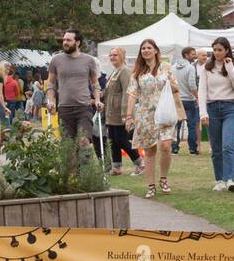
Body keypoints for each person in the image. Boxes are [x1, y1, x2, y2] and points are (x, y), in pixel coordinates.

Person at [124, 38, 181, 199]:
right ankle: (151, 185)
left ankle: (163, 178)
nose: (146, 51)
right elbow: (132, 95)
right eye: (143, 49)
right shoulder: (137, 73)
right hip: (145, 114)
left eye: (149, 48)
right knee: (149, 150)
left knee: (165, 146)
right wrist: (129, 116)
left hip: (165, 113)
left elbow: (176, 89)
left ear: (156, 50)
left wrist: (170, 83)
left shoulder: (166, 67)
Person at [198, 36, 234, 192]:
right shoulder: (207, 67)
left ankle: (230, 179)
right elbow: (202, 91)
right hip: (212, 109)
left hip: (231, 107)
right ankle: (219, 180)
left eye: (220, 50)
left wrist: (230, 68)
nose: (217, 53)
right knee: (216, 148)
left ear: (227, 50)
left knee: (228, 145)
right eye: (215, 50)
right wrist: (203, 113)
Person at [48, 28, 102, 153]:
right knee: (68, 147)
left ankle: (85, 171)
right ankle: (73, 172)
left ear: (77, 42)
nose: (65, 42)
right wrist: (51, 100)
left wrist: (98, 100)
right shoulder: (56, 60)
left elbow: (95, 84)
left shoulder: (89, 60)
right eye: (64, 40)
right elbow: (51, 83)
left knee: (83, 141)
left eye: (68, 40)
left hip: (84, 108)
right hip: (64, 108)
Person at [103, 47, 145, 176]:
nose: (112, 57)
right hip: (111, 113)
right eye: (111, 55)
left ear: (122, 56)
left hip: (120, 113)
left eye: (115, 55)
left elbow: (128, 93)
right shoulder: (114, 72)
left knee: (121, 140)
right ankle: (117, 167)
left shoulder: (125, 71)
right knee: (112, 140)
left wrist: (126, 114)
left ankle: (140, 164)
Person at [171, 46, 201, 156]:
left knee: (176, 126)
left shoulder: (173, 67)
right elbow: (192, 84)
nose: (195, 56)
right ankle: (192, 149)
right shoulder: (190, 67)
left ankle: (174, 148)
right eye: (193, 54)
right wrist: (198, 97)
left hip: (177, 99)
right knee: (191, 125)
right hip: (189, 100)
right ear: (186, 55)